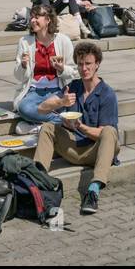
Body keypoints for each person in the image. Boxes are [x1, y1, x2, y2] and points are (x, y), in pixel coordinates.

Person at [31, 41, 120, 215]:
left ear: (97, 65)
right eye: (80, 64)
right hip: (73, 148)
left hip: (97, 151)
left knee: (110, 132)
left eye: (88, 64)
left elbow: (102, 134)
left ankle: (93, 191)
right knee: (49, 127)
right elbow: (41, 109)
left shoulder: (107, 94)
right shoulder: (73, 87)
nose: (84, 68)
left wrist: (81, 126)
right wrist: (61, 102)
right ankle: (37, 182)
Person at [12, 3, 79, 132]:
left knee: (74, 105)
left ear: (48, 20)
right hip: (33, 91)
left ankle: (38, 126)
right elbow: (19, 77)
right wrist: (23, 65)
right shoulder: (25, 42)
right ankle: (58, 123)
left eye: (37, 17)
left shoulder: (63, 41)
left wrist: (61, 69)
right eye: (31, 17)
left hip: (57, 90)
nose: (32, 20)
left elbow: (74, 72)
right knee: (24, 108)